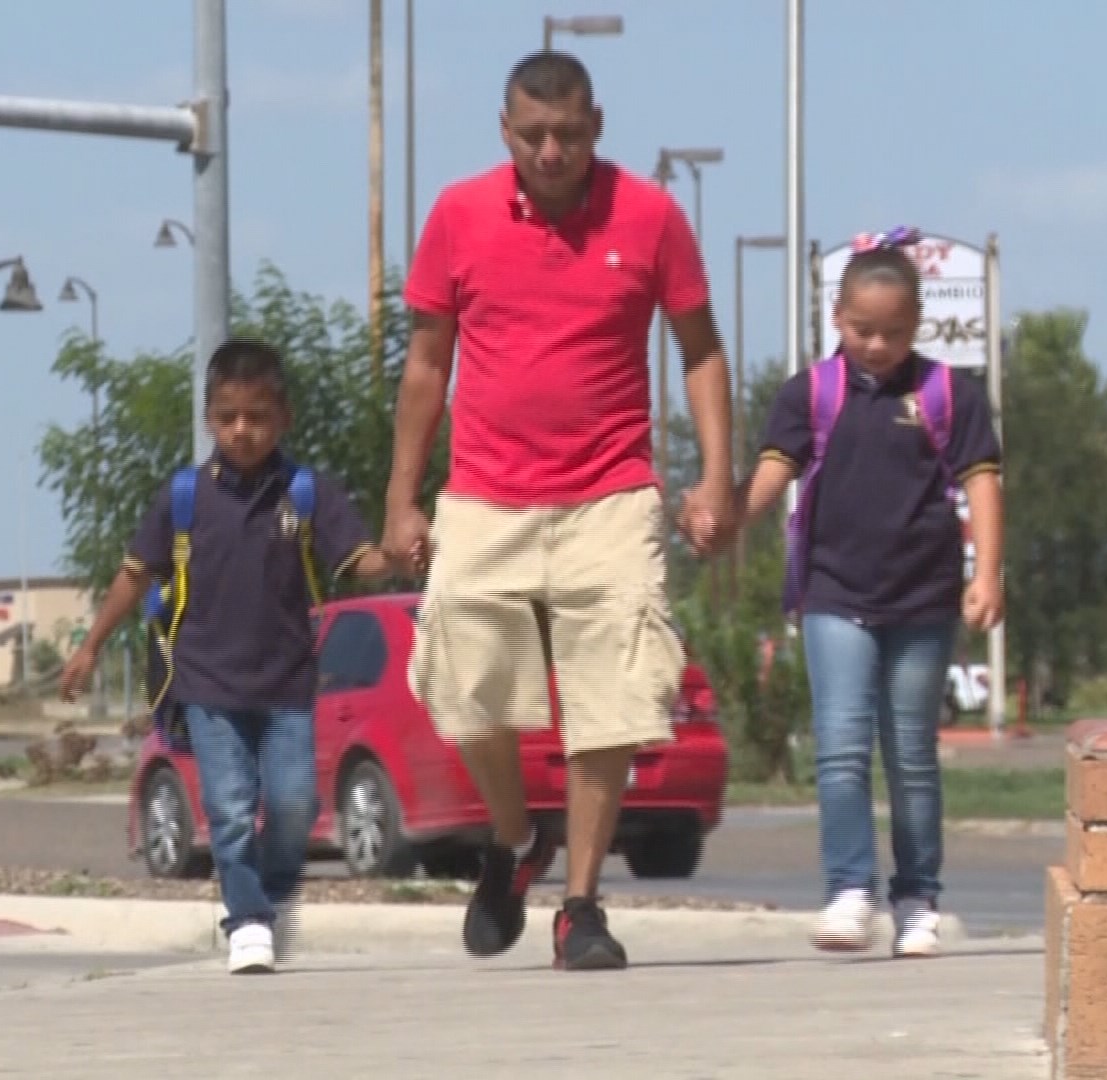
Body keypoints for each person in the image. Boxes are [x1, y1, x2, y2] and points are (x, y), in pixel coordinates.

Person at [384, 50, 736, 972]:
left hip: (612, 493)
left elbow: (701, 351)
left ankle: (580, 905)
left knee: (611, 692)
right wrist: (402, 501)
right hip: (486, 494)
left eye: (569, 134)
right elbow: (426, 365)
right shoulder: (458, 216)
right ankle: (513, 842)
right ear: (505, 133)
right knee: (464, 673)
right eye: (534, 134)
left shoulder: (650, 216)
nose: (551, 151)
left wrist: (717, 479)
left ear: (597, 126)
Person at [702, 227, 1003, 957]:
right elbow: (775, 473)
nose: (876, 345)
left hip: (923, 600)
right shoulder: (812, 392)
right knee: (839, 750)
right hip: (835, 596)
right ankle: (849, 890)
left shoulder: (947, 394)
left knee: (909, 753)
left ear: (919, 325)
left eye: (894, 332)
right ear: (837, 319)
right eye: (863, 330)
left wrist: (986, 573)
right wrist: (728, 511)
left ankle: (918, 900)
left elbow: (982, 482)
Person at [61, 338, 391, 975]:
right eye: (227, 418)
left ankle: (261, 895)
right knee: (230, 809)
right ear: (209, 419)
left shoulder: (307, 492)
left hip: (288, 682)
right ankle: (247, 921)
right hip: (208, 683)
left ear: (284, 418)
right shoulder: (184, 498)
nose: (241, 432)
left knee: (294, 805)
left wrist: (401, 554)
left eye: (256, 418)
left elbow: (362, 562)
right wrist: (91, 645)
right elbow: (134, 575)